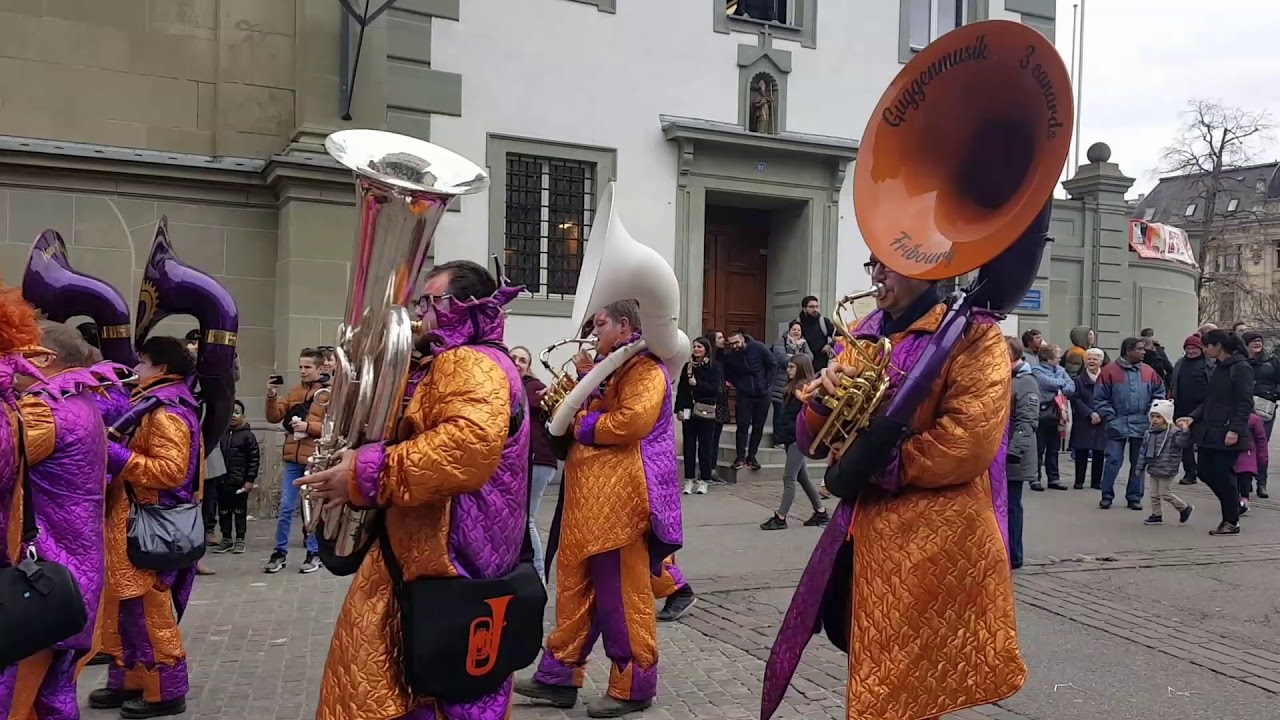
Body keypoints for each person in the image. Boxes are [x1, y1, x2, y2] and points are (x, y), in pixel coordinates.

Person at [764, 255, 1024, 720]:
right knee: (864, 652)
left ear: (926, 268)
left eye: (890, 266)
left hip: (935, 540)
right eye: (873, 265)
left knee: (909, 681)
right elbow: (811, 440)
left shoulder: (974, 334)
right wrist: (824, 397)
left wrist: (878, 463)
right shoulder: (863, 330)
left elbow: (968, 441)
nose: (877, 276)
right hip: (860, 535)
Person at [300, 260, 531, 720]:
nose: (420, 313)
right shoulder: (462, 361)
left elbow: (465, 450)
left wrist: (366, 473)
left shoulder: (469, 362)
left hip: (442, 557)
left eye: (430, 301)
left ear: (462, 306)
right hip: (437, 553)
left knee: (411, 689)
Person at [518, 299, 682, 717]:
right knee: (574, 592)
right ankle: (558, 677)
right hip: (586, 504)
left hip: (623, 507)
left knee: (621, 598)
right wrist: (577, 390)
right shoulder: (605, 372)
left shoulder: (646, 369)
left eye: (601, 323)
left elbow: (631, 423)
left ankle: (634, 685)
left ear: (626, 327)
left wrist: (579, 421)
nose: (592, 330)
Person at [0, 321, 115, 719]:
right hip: (65, 574)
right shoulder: (75, 400)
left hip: (40, 579)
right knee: (52, 696)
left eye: (14, 349)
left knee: (19, 700)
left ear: (43, 359)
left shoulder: (43, 408)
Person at [91, 336, 202, 718]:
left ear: (162, 369)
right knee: (126, 609)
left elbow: (171, 472)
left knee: (149, 610)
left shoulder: (167, 410)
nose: (136, 369)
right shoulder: (149, 402)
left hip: (151, 526)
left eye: (142, 363)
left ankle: (166, 692)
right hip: (131, 522)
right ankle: (130, 681)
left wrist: (113, 453)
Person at [1180, 329, 1254, 536]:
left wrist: (1235, 430)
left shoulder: (1241, 368)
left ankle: (1231, 520)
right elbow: (1209, 401)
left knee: (1222, 474)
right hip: (1210, 431)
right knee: (1204, 471)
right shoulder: (1219, 367)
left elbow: (1245, 402)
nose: (1204, 349)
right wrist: (1193, 416)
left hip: (1228, 431)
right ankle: (1233, 505)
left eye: (1207, 346)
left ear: (1218, 346)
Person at [263, 347, 327, 574]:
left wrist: (308, 427)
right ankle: (279, 553)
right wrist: (271, 394)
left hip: (315, 459)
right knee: (286, 507)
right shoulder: (293, 391)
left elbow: (335, 427)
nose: (302, 371)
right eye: (300, 366)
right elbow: (273, 416)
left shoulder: (328, 394)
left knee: (311, 509)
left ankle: (314, 552)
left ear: (320, 369)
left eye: (307, 367)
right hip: (292, 459)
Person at [1094, 337, 1165, 510]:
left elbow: (1159, 393)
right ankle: (1107, 495)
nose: (1143, 352)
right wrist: (1110, 416)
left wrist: (1152, 413)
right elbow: (1100, 398)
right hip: (1117, 423)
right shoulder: (1109, 372)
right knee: (1113, 460)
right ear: (1128, 351)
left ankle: (1134, 496)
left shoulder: (1149, 372)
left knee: (1139, 462)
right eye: (1140, 349)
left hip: (1142, 424)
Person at [510, 344, 559, 582]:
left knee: (528, 518)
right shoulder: (512, 386)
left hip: (538, 459)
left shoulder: (532, 388)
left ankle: (538, 576)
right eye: (514, 359)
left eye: (523, 360)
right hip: (527, 461)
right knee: (523, 517)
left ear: (529, 367)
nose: (518, 363)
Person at [761, 354, 826, 531]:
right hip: (790, 435)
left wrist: (805, 393)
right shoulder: (792, 385)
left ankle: (781, 517)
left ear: (800, 368)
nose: (788, 370)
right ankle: (820, 511)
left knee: (789, 477)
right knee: (802, 477)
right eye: (788, 367)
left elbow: (805, 398)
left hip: (799, 437)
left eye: (791, 367)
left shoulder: (804, 386)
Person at [1005, 336, 1039, 569]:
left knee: (1012, 505)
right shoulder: (1004, 378)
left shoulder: (1025, 382)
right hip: (1000, 453)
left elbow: (1027, 421)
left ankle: (1015, 555)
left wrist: (1014, 451)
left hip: (1013, 455)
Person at [721, 330, 776, 472]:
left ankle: (752, 456)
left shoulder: (758, 347)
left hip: (762, 394)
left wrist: (767, 384)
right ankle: (740, 457)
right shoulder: (731, 356)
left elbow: (772, 364)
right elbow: (727, 373)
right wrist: (738, 384)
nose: (734, 346)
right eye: (731, 344)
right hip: (744, 394)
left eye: (736, 343)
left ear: (743, 340)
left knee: (758, 427)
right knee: (742, 426)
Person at [209, 400, 259, 554]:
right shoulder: (220, 435)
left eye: (236, 413)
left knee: (239, 511)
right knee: (223, 511)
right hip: (222, 480)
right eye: (230, 413)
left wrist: (250, 480)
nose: (233, 416)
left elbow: (254, 460)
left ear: (242, 416)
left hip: (240, 481)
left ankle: (240, 539)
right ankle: (226, 538)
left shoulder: (247, 436)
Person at [675, 337, 722, 496]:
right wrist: (679, 409)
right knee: (689, 446)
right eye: (694, 347)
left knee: (705, 447)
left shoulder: (714, 367)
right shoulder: (687, 367)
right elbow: (682, 388)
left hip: (706, 410)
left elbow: (716, 389)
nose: (696, 350)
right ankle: (689, 479)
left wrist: (698, 384)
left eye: (700, 347)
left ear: (706, 349)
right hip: (689, 410)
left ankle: (704, 480)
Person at [1135, 399, 1193, 526]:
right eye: (1153, 416)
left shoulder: (1174, 433)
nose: (1155, 420)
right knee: (1153, 494)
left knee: (1164, 493)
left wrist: (1185, 431)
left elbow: (1182, 443)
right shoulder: (1149, 433)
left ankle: (1184, 508)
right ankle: (1156, 515)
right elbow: (1143, 451)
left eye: (1158, 417)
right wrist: (1140, 467)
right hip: (1154, 467)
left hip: (1167, 467)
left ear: (1166, 418)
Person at [1028, 343, 1074, 491]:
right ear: (1047, 358)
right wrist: (1062, 384)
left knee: (1054, 448)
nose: (1060, 360)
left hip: (1057, 414)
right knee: (1038, 449)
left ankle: (1054, 478)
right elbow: (1046, 383)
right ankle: (1035, 479)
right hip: (1041, 414)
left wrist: (1060, 385)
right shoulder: (1036, 370)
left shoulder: (1060, 370)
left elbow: (1072, 386)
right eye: (1057, 356)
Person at [1170, 335, 1211, 485]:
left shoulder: (1209, 364)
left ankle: (1205, 472)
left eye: (1194, 348)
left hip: (1202, 408)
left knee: (1202, 441)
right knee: (1184, 442)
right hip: (1181, 407)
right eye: (1188, 348)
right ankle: (1190, 473)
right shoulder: (1180, 363)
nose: (1191, 351)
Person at [1242, 331, 1278, 497]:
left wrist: (1273, 394)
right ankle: (1246, 481)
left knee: (1261, 446)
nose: (1257, 344)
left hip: (1265, 409)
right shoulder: (1241, 362)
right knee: (1247, 446)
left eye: (1259, 341)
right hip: (1245, 409)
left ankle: (1261, 483)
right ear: (1246, 344)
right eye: (1253, 341)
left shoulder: (1272, 361)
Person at [1069, 348, 1107, 490]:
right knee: (1081, 450)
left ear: (1101, 362)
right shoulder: (1078, 380)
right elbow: (1075, 399)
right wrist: (1090, 413)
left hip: (1101, 418)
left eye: (1095, 359)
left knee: (1099, 451)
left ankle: (1096, 482)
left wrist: (1100, 413)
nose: (1092, 361)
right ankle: (1079, 481)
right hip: (1083, 419)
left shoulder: (1106, 379)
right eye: (1089, 358)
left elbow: (1110, 398)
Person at [770, 320, 811, 420]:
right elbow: (781, 357)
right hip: (780, 385)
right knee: (779, 416)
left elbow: (810, 357)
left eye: (799, 330)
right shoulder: (781, 341)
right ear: (789, 331)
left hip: (796, 385)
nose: (796, 332)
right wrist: (799, 360)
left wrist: (792, 357)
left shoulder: (804, 344)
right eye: (794, 329)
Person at [1235, 412, 1269, 515]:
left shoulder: (1254, 420)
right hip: (1235, 453)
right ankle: (1239, 501)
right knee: (1235, 480)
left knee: (1244, 477)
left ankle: (1244, 501)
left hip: (1247, 453)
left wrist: (1263, 457)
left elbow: (1261, 440)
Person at [796, 296, 835, 372]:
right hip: (803, 365)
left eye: (817, 307)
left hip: (822, 364)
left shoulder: (824, 322)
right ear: (804, 309)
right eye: (811, 307)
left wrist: (830, 345)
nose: (815, 310)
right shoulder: (797, 324)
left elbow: (839, 336)